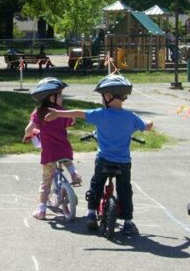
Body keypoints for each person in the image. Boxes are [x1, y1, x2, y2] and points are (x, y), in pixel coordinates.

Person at [44, 74, 154, 235]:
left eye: (103, 96)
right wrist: (151, 122)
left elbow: (79, 113)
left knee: (97, 183)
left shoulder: (100, 114)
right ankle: (128, 222)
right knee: (125, 189)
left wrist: (58, 114)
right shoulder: (131, 117)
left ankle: (91, 214)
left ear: (108, 96)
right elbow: (147, 126)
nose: (102, 100)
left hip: (103, 160)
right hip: (123, 162)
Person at [23, 77, 82, 220]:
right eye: (59, 95)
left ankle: (41, 210)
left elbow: (29, 129)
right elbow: (72, 121)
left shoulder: (38, 113)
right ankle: (74, 174)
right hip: (64, 149)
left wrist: (27, 135)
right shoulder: (62, 112)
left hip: (49, 153)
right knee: (68, 161)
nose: (61, 98)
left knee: (46, 181)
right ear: (50, 97)